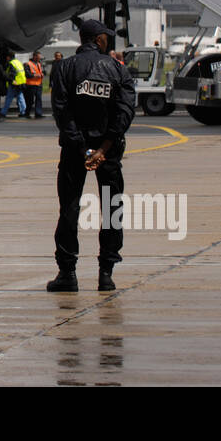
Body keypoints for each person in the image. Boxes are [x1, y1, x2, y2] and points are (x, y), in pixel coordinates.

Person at [48, 20, 136, 293]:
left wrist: (82, 148)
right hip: (107, 151)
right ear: (98, 40)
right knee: (112, 209)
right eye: (106, 38)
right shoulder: (117, 70)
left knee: (69, 209)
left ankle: (67, 273)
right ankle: (106, 273)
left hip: (75, 151)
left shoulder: (63, 69)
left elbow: (62, 111)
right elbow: (125, 111)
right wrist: (103, 149)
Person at [24, 50, 44, 118]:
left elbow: (41, 72)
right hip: (31, 85)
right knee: (30, 100)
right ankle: (27, 113)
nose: (39, 59)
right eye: (38, 57)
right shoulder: (28, 64)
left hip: (38, 84)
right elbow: (27, 74)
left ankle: (38, 113)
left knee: (39, 99)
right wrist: (35, 75)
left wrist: (42, 74)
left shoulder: (39, 64)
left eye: (40, 57)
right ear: (34, 56)